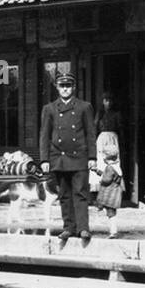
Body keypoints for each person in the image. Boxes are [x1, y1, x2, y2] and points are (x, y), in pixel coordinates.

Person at [39, 72, 96, 247]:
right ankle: (68, 227)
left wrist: (92, 157)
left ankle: (83, 228)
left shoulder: (84, 107)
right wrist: (44, 160)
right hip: (59, 158)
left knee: (80, 192)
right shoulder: (49, 108)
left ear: (73, 88)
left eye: (68, 86)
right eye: (62, 86)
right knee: (64, 194)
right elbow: (44, 135)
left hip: (79, 156)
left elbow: (90, 134)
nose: (65, 89)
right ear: (57, 88)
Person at [91, 140, 125, 238]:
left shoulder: (110, 168)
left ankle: (113, 231)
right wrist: (97, 171)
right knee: (111, 212)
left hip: (110, 195)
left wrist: (100, 180)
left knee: (110, 213)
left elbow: (106, 179)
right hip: (115, 194)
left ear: (107, 157)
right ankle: (112, 230)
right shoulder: (116, 167)